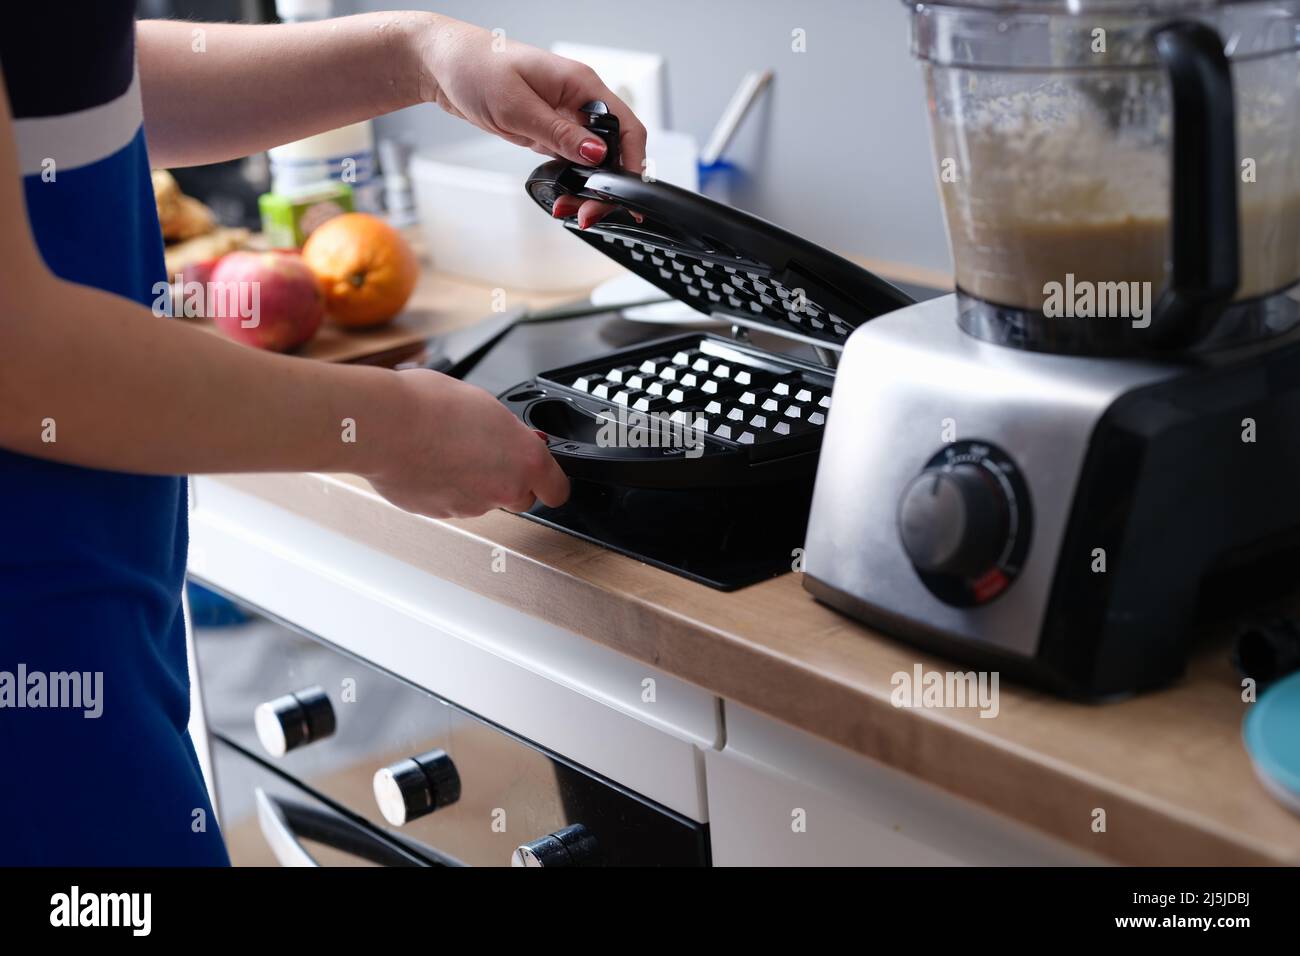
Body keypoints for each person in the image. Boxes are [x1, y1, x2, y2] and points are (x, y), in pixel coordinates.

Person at [0, 6, 646, 865]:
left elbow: (74, 74)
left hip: (96, 603)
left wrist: (414, 55)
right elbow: (21, 354)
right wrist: (388, 427)